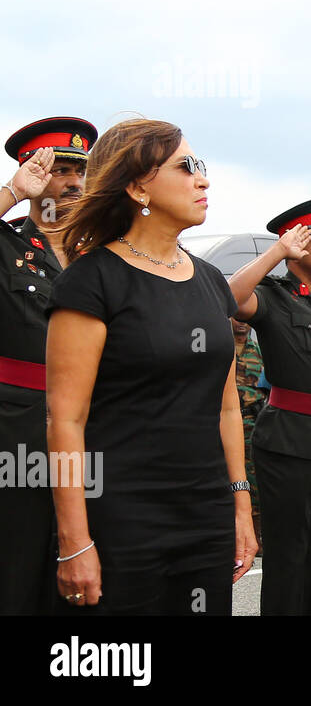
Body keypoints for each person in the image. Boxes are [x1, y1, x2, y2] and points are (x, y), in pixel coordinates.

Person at [45, 119, 257, 614]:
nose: (203, 179)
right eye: (187, 167)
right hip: (121, 516)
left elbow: (227, 407)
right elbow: (65, 421)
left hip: (206, 514)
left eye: (201, 167)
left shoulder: (210, 282)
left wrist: (240, 507)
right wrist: (75, 541)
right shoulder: (91, 282)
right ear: (138, 184)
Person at [227, 198, 311, 615]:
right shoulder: (274, 296)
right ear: (297, 246)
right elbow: (230, 298)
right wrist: (276, 252)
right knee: (289, 556)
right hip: (290, 441)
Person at [0, 117, 96, 614]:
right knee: (19, 561)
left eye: (82, 170)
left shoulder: (103, 253)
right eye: (60, 170)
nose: (74, 182)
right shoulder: (8, 242)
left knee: (84, 562)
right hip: (19, 428)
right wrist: (13, 192)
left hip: (96, 424)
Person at [231, 318, 268, 544]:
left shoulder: (260, 351)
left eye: (246, 319)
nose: (242, 322)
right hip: (226, 425)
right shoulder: (219, 348)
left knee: (255, 481)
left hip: (253, 425)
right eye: (237, 316)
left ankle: (256, 536)